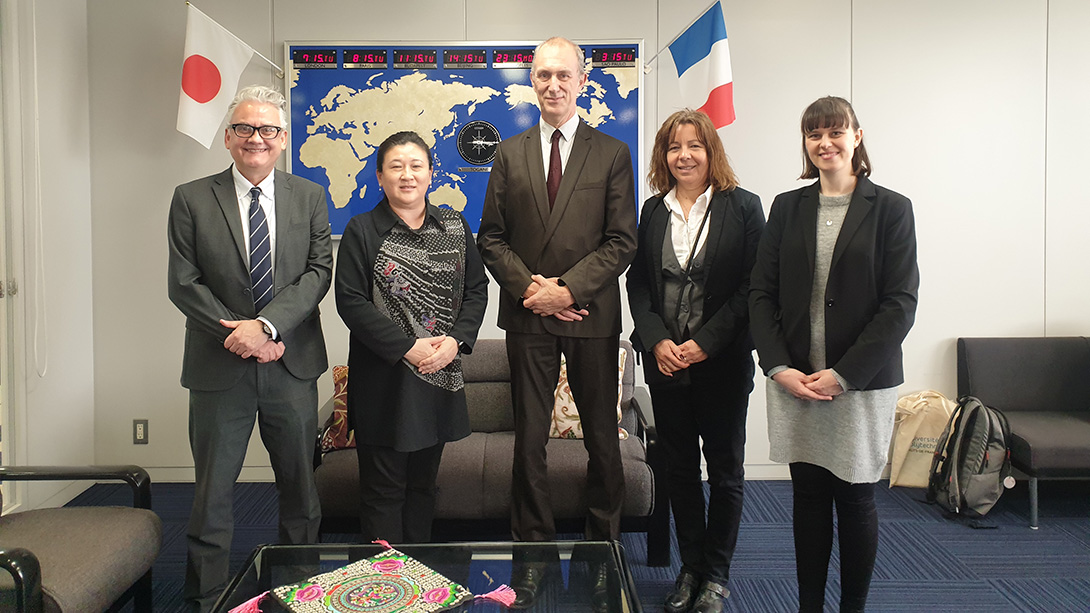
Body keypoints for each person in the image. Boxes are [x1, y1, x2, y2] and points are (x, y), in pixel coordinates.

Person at [476, 36, 637, 608]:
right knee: (529, 441)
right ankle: (533, 554)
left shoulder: (612, 152)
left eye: (563, 75)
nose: (553, 85)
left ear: (582, 78)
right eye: (543, 75)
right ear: (532, 80)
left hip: (592, 316)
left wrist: (566, 289)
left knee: (601, 439)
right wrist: (533, 293)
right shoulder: (509, 152)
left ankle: (602, 551)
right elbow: (490, 238)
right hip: (528, 319)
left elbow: (622, 241)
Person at [748, 96, 919, 613]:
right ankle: (808, 606)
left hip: (859, 384)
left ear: (857, 136)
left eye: (835, 132)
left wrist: (845, 374)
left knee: (856, 497)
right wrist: (778, 367)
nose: (825, 143)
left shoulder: (891, 208)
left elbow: (900, 303)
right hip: (797, 381)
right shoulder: (786, 206)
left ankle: (852, 607)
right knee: (808, 497)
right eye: (814, 134)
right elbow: (762, 292)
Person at [167, 85, 331, 610]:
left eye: (268, 129)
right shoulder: (191, 197)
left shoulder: (309, 195)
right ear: (227, 136)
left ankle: (298, 590)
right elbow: (184, 283)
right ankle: (206, 598)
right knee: (212, 496)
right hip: (220, 366)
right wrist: (238, 334)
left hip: (291, 364)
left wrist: (266, 328)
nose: (256, 138)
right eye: (244, 128)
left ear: (283, 139)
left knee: (300, 492)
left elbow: (316, 274)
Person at [627, 109, 764, 613]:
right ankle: (690, 566)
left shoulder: (744, 207)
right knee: (679, 468)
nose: (684, 155)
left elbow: (753, 287)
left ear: (712, 152)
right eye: (674, 147)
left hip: (722, 362)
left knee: (725, 470)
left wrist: (706, 341)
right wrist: (656, 339)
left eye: (695, 146)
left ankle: (717, 573)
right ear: (664, 155)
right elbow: (639, 283)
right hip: (665, 365)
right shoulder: (652, 211)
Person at [334, 131, 488, 543]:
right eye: (396, 167)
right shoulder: (362, 230)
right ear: (380, 177)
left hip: (439, 375)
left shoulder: (454, 225)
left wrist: (456, 341)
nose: (407, 175)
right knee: (383, 491)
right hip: (384, 383)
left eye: (416, 165)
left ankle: (420, 577)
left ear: (431, 174)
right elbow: (350, 302)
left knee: (423, 486)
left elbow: (476, 289)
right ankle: (384, 587)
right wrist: (407, 347)